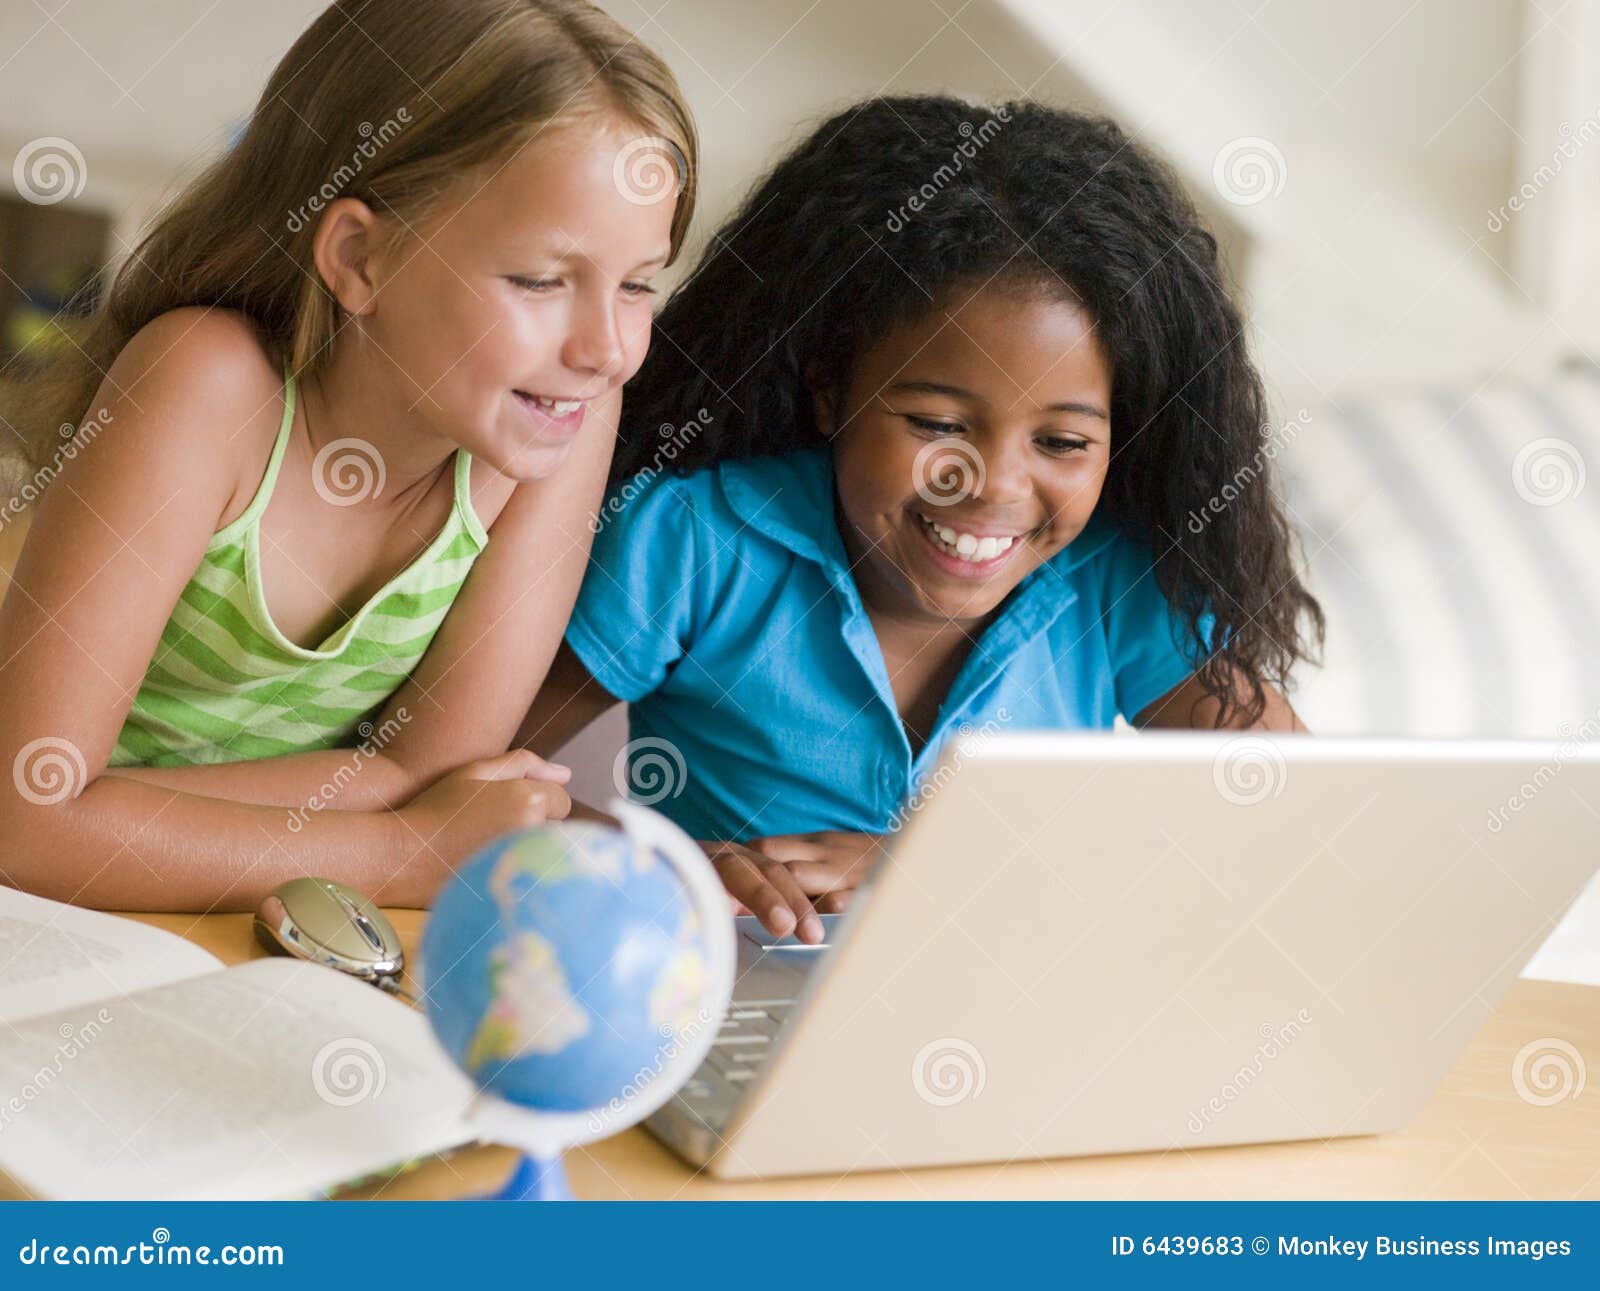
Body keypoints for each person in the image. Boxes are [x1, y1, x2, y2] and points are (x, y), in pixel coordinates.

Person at [518, 96, 1323, 941]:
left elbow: (1290, 819)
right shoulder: (692, 539)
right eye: (937, 424)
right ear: (831, 390)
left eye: (1062, 440)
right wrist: (670, 863)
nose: (993, 486)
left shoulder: (1118, 578)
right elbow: (487, 787)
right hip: (725, 990)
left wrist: (932, 866)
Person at [0, 0, 694, 911]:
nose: (605, 349)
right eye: (540, 280)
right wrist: (400, 849)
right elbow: (27, 823)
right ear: (361, 257)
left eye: (639, 286)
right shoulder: (205, 385)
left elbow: (437, 770)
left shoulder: (559, 421)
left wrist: (105, 816)